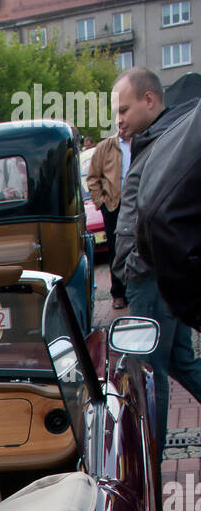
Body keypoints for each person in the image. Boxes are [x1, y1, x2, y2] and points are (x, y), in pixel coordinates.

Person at [113, 67, 201, 470]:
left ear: (150, 100)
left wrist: (134, 265)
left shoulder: (165, 138)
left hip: (149, 279)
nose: (119, 121)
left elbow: (158, 215)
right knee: (181, 360)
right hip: (150, 275)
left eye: (124, 109)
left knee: (151, 373)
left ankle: (151, 466)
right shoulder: (158, 138)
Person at [87, 134, 129, 309]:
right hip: (114, 205)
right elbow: (92, 178)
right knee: (116, 247)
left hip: (139, 201)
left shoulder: (143, 139)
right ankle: (118, 292)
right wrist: (101, 203)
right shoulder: (106, 147)